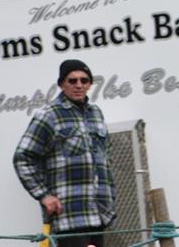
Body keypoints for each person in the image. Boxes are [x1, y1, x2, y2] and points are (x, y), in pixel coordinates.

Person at [13, 60, 115, 247]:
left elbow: (104, 157)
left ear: (90, 84)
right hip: (68, 217)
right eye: (72, 80)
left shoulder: (96, 113)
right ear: (61, 84)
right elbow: (23, 157)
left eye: (84, 80)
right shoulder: (49, 114)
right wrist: (44, 195)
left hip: (99, 214)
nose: (79, 85)